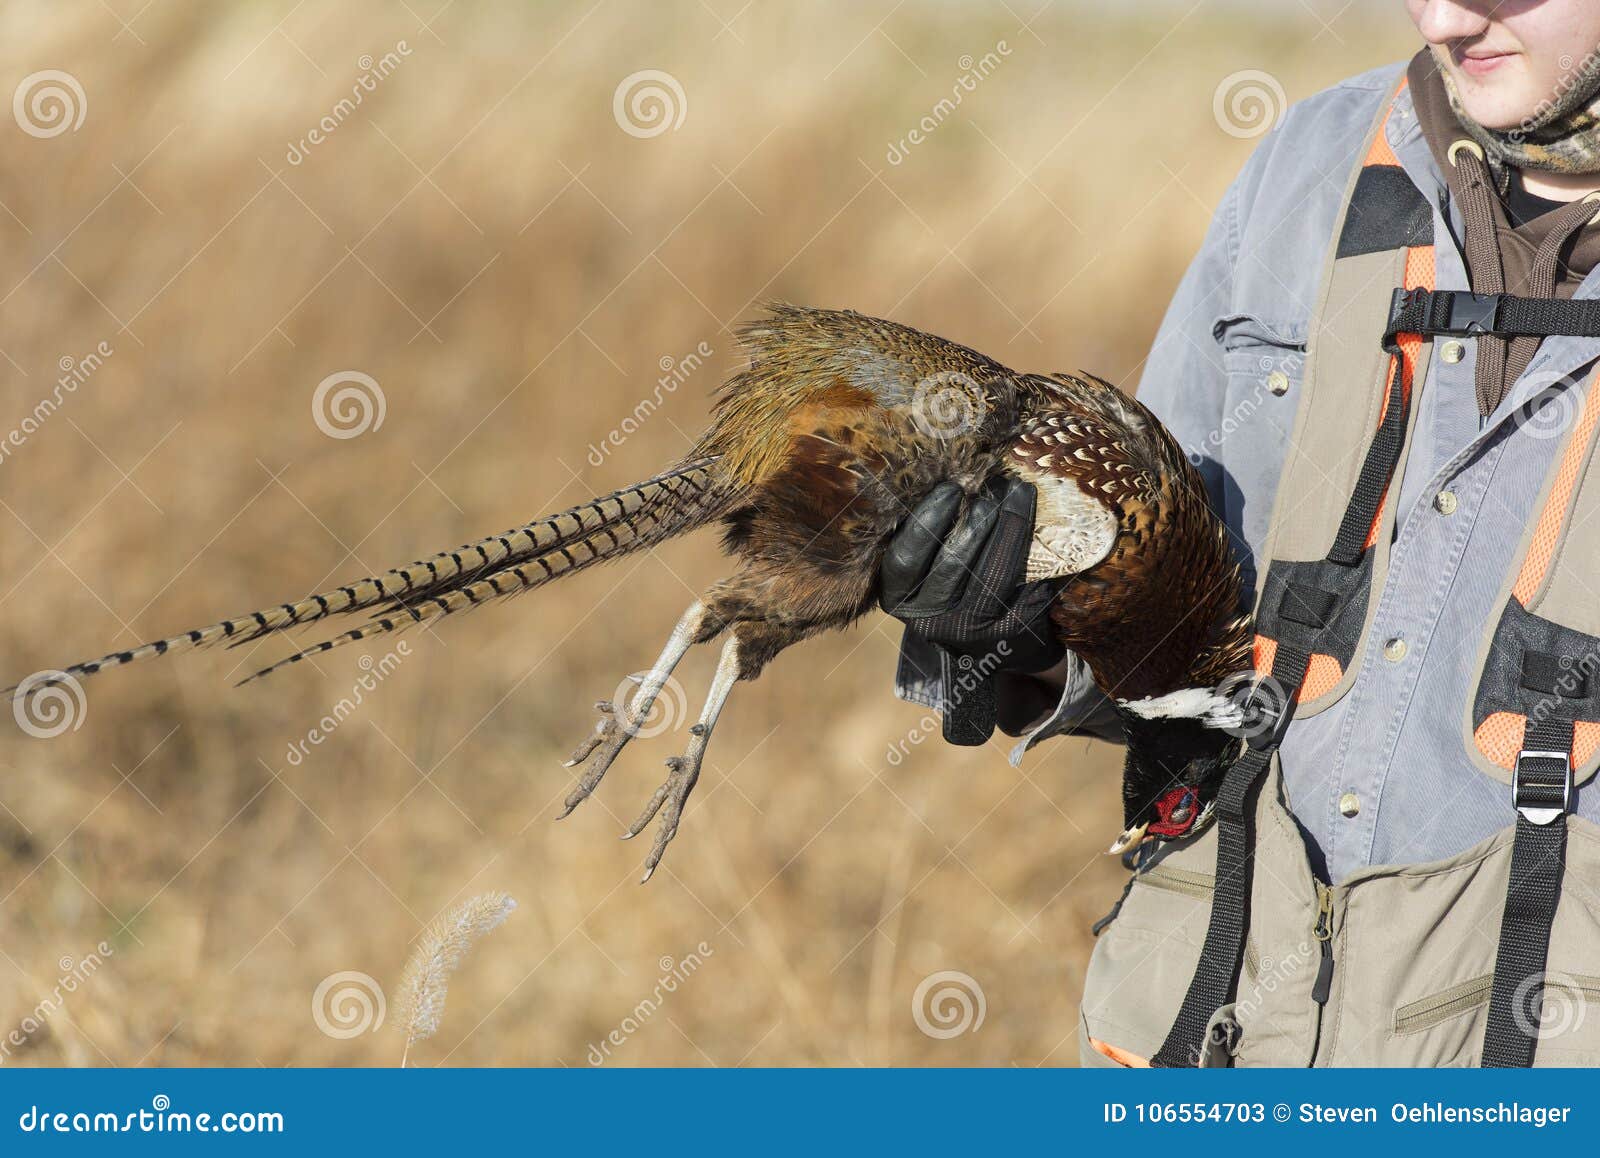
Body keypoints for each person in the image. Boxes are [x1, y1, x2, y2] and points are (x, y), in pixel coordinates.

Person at [883, 0, 1600, 1068]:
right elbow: (1179, 606)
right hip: (1217, 1028)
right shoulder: (1310, 164)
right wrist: (1028, 635)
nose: (1448, 16)